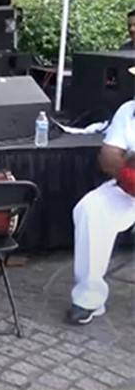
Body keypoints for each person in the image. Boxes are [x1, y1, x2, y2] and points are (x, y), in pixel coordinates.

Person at [67, 86, 135, 325]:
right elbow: (108, 158)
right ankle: (88, 297)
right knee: (91, 208)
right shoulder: (128, 110)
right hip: (129, 188)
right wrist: (127, 166)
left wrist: (130, 156)